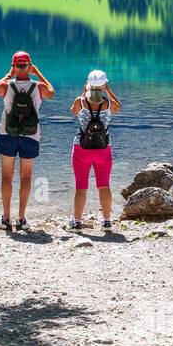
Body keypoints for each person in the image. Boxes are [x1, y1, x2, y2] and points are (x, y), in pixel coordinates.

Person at [0, 51, 55, 231]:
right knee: (26, 177)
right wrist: (38, 73)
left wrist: (8, 74)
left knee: (6, 176)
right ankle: (21, 219)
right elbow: (52, 92)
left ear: (14, 66)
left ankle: (5, 219)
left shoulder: (6, 85)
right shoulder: (38, 86)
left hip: (7, 134)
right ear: (29, 66)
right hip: (31, 136)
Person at [67, 69, 121, 231]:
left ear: (89, 83)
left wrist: (85, 91)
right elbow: (118, 106)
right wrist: (108, 90)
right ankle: (106, 222)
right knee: (104, 185)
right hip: (103, 149)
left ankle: (76, 223)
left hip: (81, 148)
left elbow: (73, 111)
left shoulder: (80, 102)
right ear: (103, 84)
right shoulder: (108, 104)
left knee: (81, 186)